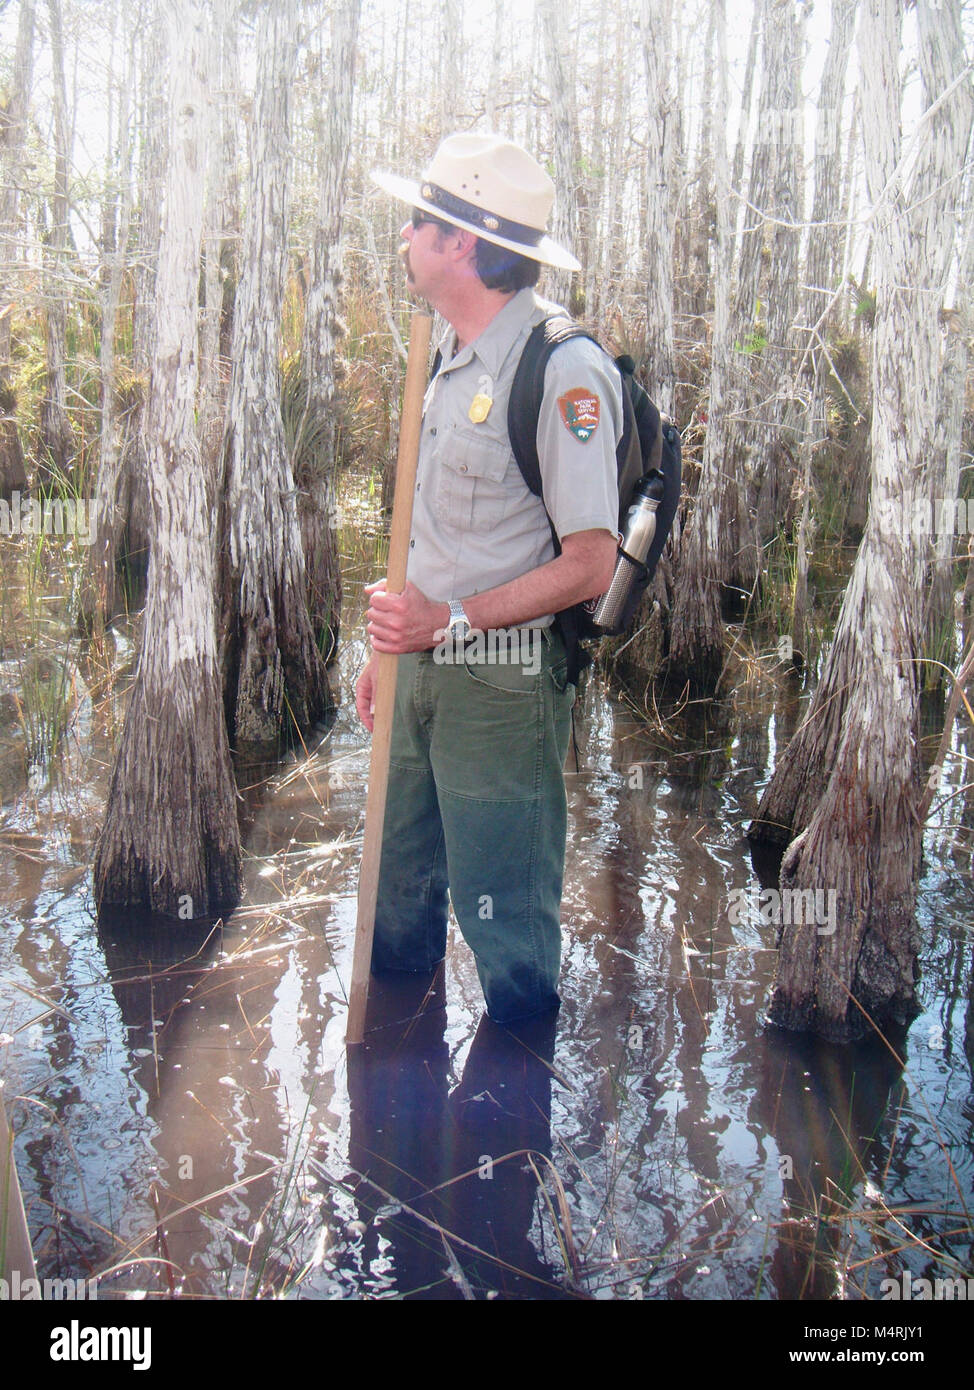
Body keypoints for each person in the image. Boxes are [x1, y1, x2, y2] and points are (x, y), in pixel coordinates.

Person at [358, 131, 622, 1024]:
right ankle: (391, 1122)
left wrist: (450, 620)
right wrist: (390, 648)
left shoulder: (564, 370)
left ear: (461, 243)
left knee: (505, 931)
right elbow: (430, 535)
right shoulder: (441, 354)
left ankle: (512, 1146)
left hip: (502, 685)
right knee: (395, 904)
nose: (404, 237)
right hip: (415, 670)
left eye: (418, 222)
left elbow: (591, 566)